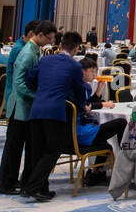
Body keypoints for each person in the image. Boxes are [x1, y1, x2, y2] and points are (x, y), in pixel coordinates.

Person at [21, 31, 87, 202]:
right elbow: (79, 91)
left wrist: (42, 90)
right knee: (53, 150)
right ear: (76, 48)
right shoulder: (74, 66)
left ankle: (41, 189)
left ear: (61, 45)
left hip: (36, 110)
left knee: (38, 150)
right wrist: (81, 108)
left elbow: (29, 79)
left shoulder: (45, 60)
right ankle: (33, 186)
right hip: (55, 112)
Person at [0, 21, 55, 196]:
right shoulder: (27, 53)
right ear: (40, 35)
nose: (50, 42)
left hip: (26, 107)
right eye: (49, 38)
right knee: (13, 147)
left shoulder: (34, 50)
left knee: (23, 145)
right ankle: (6, 184)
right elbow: (19, 83)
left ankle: (18, 181)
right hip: (20, 106)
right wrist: (36, 95)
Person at [74, 56, 125, 185]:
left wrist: (99, 90)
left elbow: (87, 103)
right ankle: (124, 160)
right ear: (83, 71)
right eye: (92, 71)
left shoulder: (76, 84)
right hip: (83, 133)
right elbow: (86, 108)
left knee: (106, 143)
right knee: (121, 123)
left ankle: (95, 172)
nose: (94, 75)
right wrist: (104, 105)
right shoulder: (82, 86)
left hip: (76, 132)